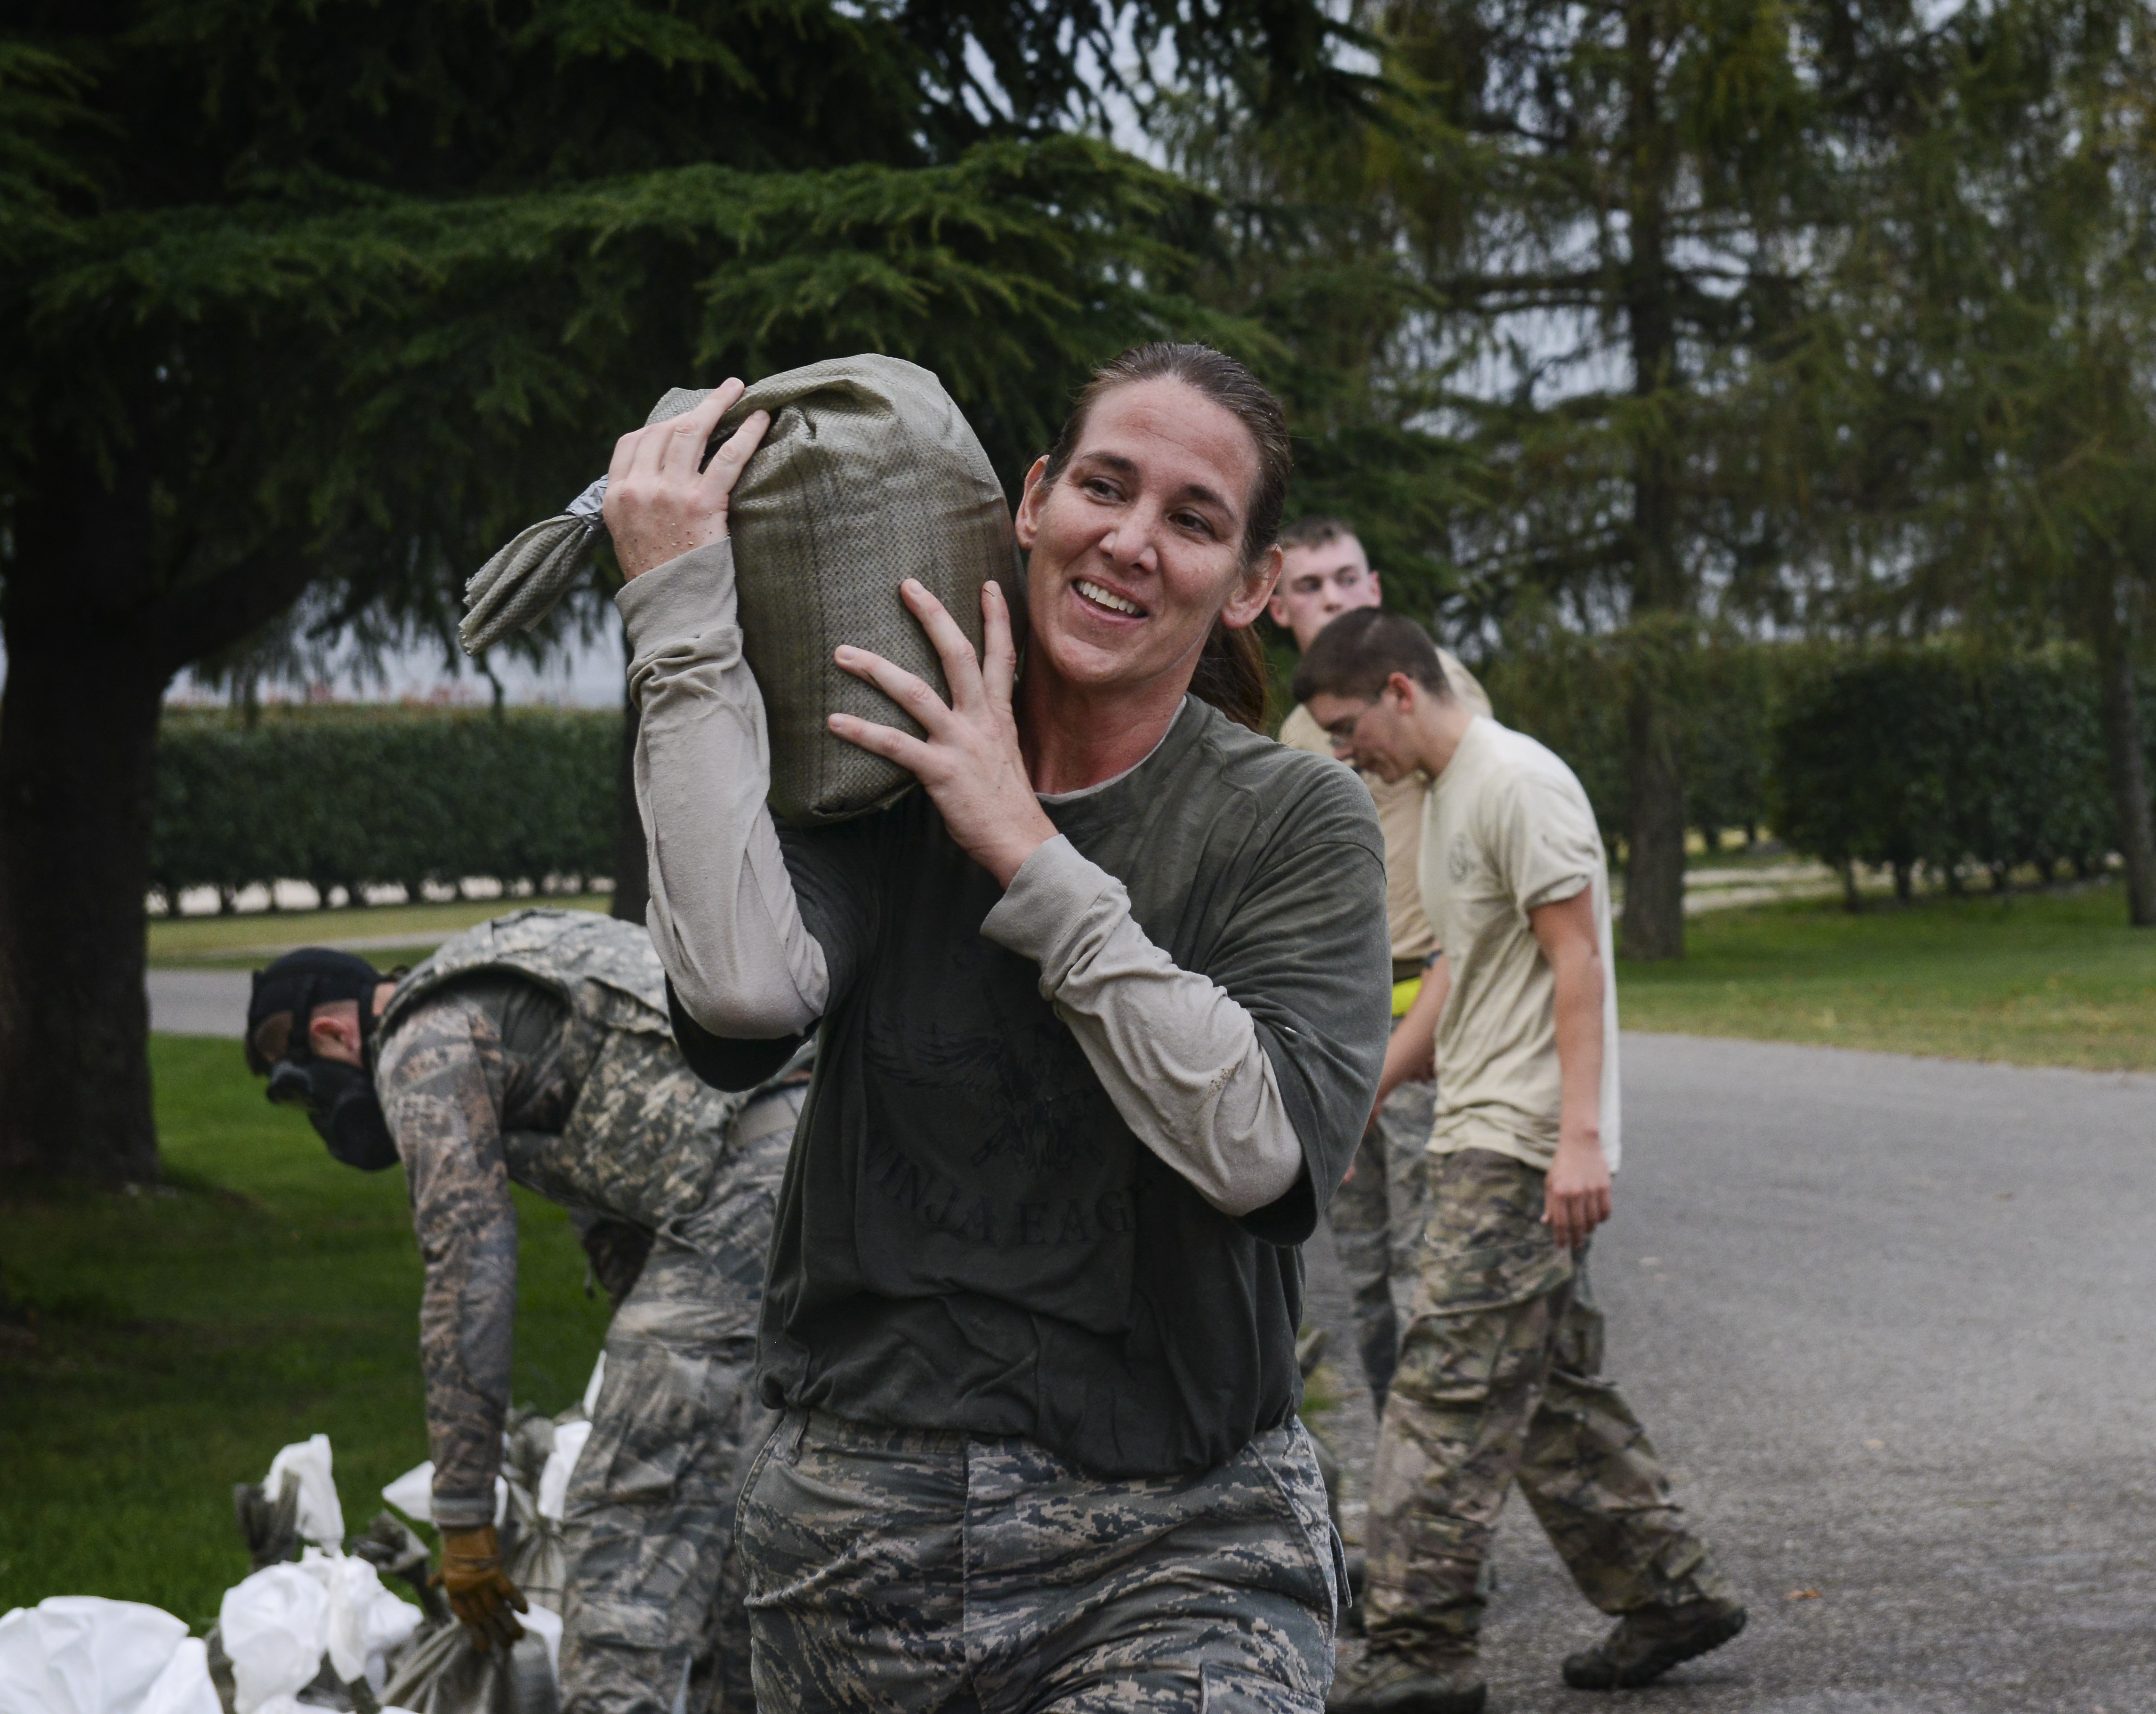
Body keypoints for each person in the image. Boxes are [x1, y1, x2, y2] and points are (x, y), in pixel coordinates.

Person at [608, 343, 1391, 1714]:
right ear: (1033, 499)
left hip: (1178, 1535)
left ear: (1254, 587)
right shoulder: (879, 764)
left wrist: (1027, 852)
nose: (1132, 541)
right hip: (855, 1541)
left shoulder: (1292, 819)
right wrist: (679, 615)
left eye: (1194, 519)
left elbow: (1261, 1147)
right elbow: (740, 992)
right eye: (1106, 485)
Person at [1292, 610, 1744, 1714]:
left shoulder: (1517, 783)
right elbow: (1458, 967)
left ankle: (1418, 1650)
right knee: (1544, 1392)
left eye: (1351, 728)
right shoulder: (1446, 797)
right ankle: (1667, 1592)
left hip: (1525, 1139)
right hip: (1474, 1126)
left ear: (1402, 689)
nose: (1348, 754)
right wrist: (1374, 1092)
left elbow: (1576, 959)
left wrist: (1579, 1140)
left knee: (1443, 1391)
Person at [243, 908, 804, 1714]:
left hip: (750, 1179)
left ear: (332, 1035)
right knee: (741, 1520)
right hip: (829, 1156)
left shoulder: (419, 1041)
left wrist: (465, 1516)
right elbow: (626, 1218)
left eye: (298, 1088)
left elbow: (468, 1267)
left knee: (628, 1521)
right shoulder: (508, 994)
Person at [1270, 516, 1494, 1416]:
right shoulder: (1296, 729)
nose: (1329, 598)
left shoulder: (1429, 692)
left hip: (1435, 1019)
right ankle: (1405, 1487)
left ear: (1374, 589)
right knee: (1363, 1279)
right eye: (1309, 586)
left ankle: (1443, 1531)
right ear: (1276, 604)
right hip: (1343, 1027)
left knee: (1431, 1274)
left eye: (1345, 579)